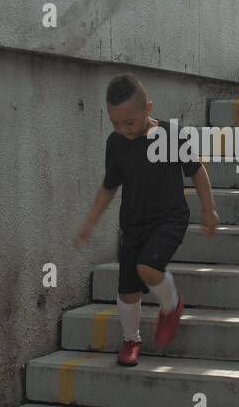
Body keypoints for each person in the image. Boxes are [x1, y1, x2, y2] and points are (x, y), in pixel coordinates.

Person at [75, 73, 220, 366]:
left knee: (149, 268)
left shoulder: (170, 135)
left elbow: (196, 170)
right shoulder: (115, 144)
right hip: (133, 225)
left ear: (148, 109)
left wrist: (209, 209)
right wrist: (90, 221)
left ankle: (171, 305)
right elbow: (109, 186)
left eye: (130, 122)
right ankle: (131, 339)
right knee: (128, 290)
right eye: (115, 123)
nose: (123, 129)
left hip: (170, 218)